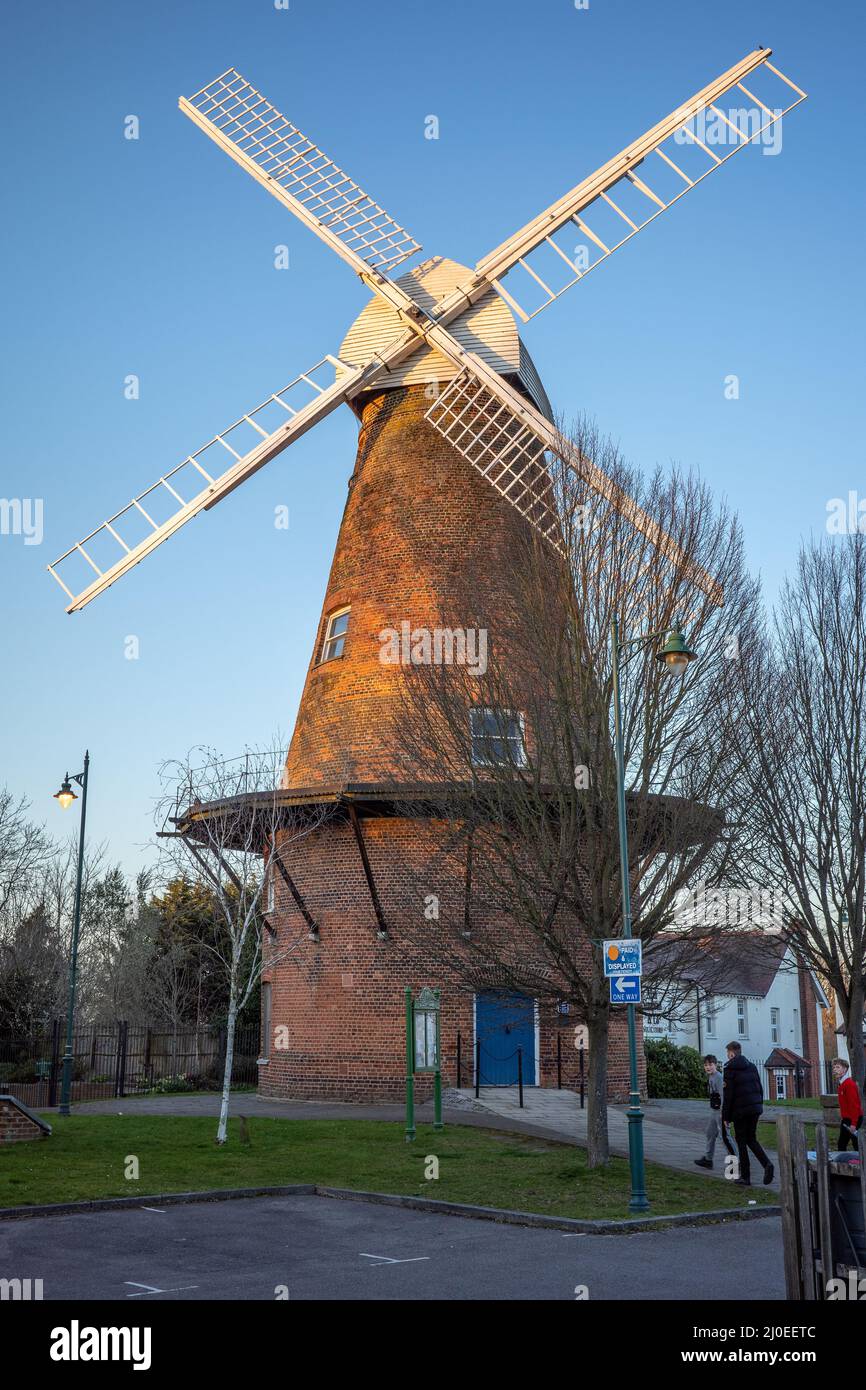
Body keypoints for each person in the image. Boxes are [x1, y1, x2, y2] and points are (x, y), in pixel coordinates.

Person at [722, 1040, 774, 1187]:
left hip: (740, 1111)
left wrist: (726, 1117)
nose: (727, 1056)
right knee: (751, 1139)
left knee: (741, 1142)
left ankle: (746, 1176)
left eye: (728, 1053)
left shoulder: (730, 1069)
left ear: (731, 1053)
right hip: (754, 1108)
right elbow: (760, 1087)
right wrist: (759, 1106)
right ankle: (767, 1164)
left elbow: (728, 1095)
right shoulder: (751, 1066)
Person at [694, 1054, 736, 1170]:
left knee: (725, 1137)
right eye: (706, 1065)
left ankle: (735, 1162)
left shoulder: (718, 1077)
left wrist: (724, 1113)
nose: (708, 1067)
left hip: (720, 1111)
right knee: (710, 1133)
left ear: (715, 1065)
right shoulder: (711, 1077)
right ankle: (708, 1159)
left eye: (710, 1065)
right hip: (714, 1110)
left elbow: (724, 1096)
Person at [832, 1058, 863, 1152]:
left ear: (845, 1069)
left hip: (853, 1119)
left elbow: (854, 1105)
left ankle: (861, 1164)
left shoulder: (849, 1084)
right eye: (834, 1067)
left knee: (856, 1144)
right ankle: (843, 1164)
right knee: (842, 1143)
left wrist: (854, 1123)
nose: (834, 1069)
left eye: (838, 1067)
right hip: (846, 1119)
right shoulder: (842, 1084)